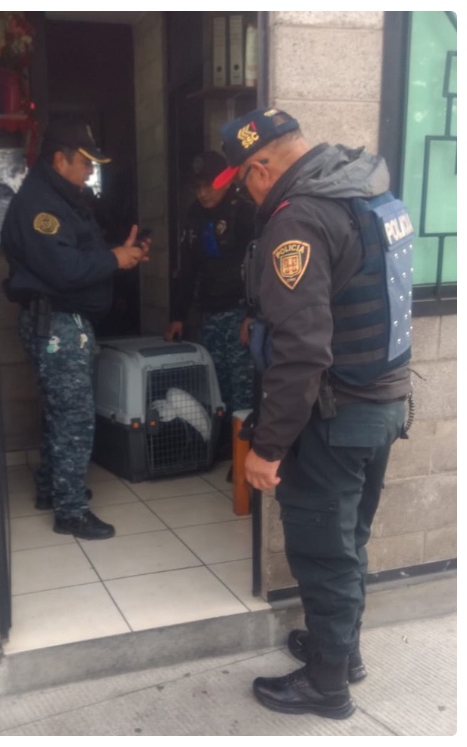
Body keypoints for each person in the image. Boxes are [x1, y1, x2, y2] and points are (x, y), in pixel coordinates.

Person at [215, 107, 413, 719]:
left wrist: (267, 448)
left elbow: (301, 351)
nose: (245, 194)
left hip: (333, 416)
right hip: (383, 403)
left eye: (243, 180)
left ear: (260, 167)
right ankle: (342, 650)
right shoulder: (371, 191)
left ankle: (328, 686)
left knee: (326, 553)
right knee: (349, 540)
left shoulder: (297, 220)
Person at [1, 115, 149, 540]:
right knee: (74, 418)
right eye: (84, 163)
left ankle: (53, 489)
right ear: (59, 159)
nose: (89, 171)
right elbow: (65, 269)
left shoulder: (61, 198)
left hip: (64, 323)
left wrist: (124, 254)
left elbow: (79, 256)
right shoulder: (41, 206)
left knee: (58, 414)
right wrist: (114, 259)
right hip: (57, 325)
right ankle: (70, 511)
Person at [165, 151, 257, 421]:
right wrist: (177, 316)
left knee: (243, 386)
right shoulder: (194, 214)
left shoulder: (244, 211)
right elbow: (188, 268)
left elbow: (259, 267)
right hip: (210, 312)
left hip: (240, 313)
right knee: (216, 384)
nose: (203, 193)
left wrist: (253, 314)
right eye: (198, 186)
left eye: (209, 185)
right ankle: (224, 444)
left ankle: (241, 450)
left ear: (226, 180)